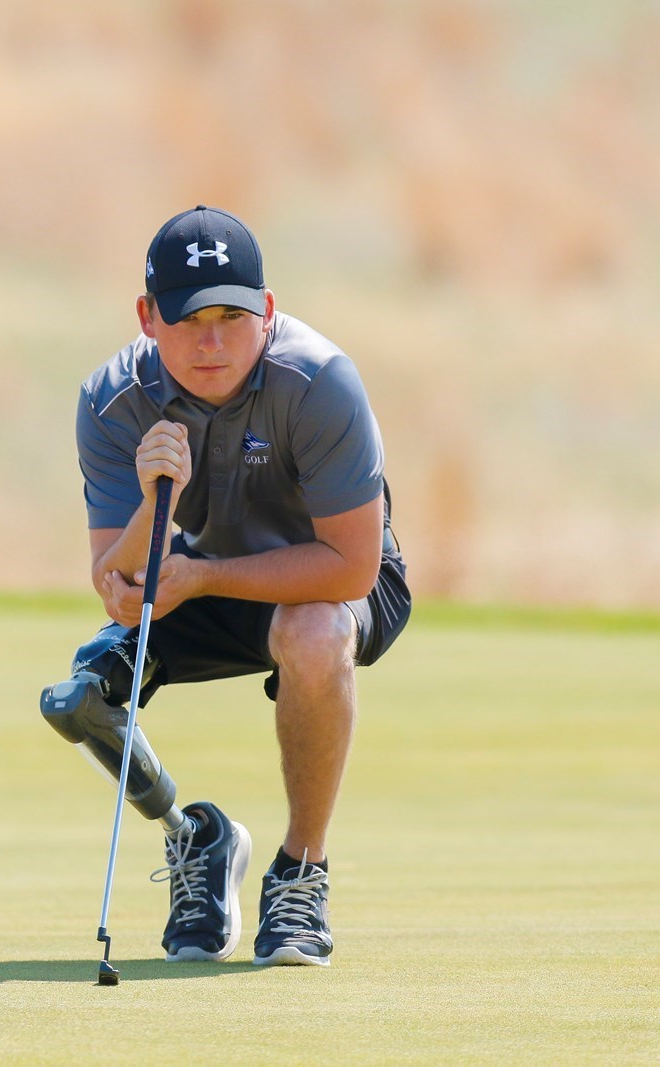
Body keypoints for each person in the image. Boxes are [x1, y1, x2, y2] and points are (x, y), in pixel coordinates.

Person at [39, 205, 412, 967]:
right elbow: (116, 587)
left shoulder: (318, 382)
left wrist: (204, 575)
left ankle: (301, 873)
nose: (212, 342)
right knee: (89, 691)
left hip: (330, 578)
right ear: (147, 317)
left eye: (231, 317)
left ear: (266, 310)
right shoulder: (111, 401)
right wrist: (152, 499)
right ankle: (197, 841)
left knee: (312, 631)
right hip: (202, 575)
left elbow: (351, 565)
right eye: (188, 320)